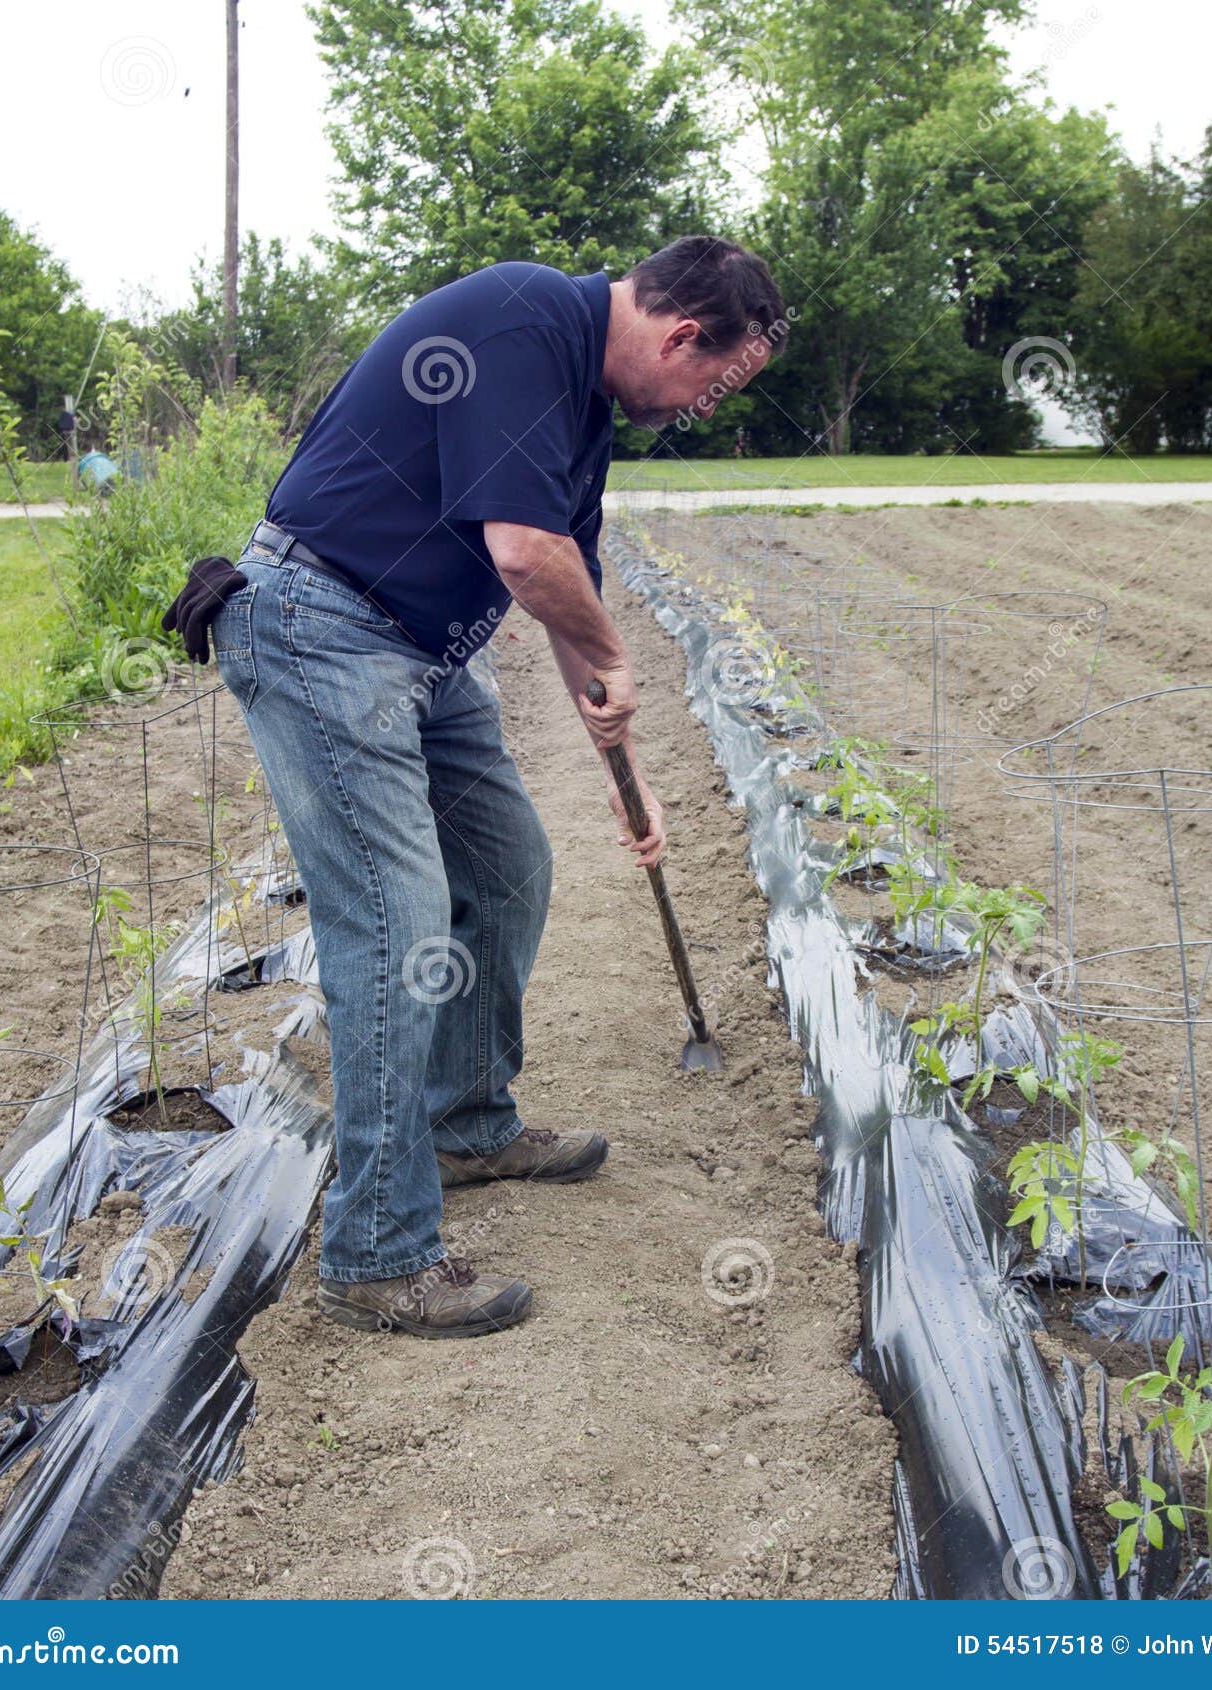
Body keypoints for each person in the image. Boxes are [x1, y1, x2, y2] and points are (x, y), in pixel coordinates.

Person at [168, 236, 786, 1339]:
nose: (699, 405)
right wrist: (617, 654)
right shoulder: (523, 319)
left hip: (412, 648)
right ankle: (375, 1255)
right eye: (710, 382)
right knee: (394, 927)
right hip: (320, 626)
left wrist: (626, 779)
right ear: (683, 333)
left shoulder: (580, 405)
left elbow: (566, 586)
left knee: (506, 869)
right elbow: (523, 555)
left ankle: (462, 1123)